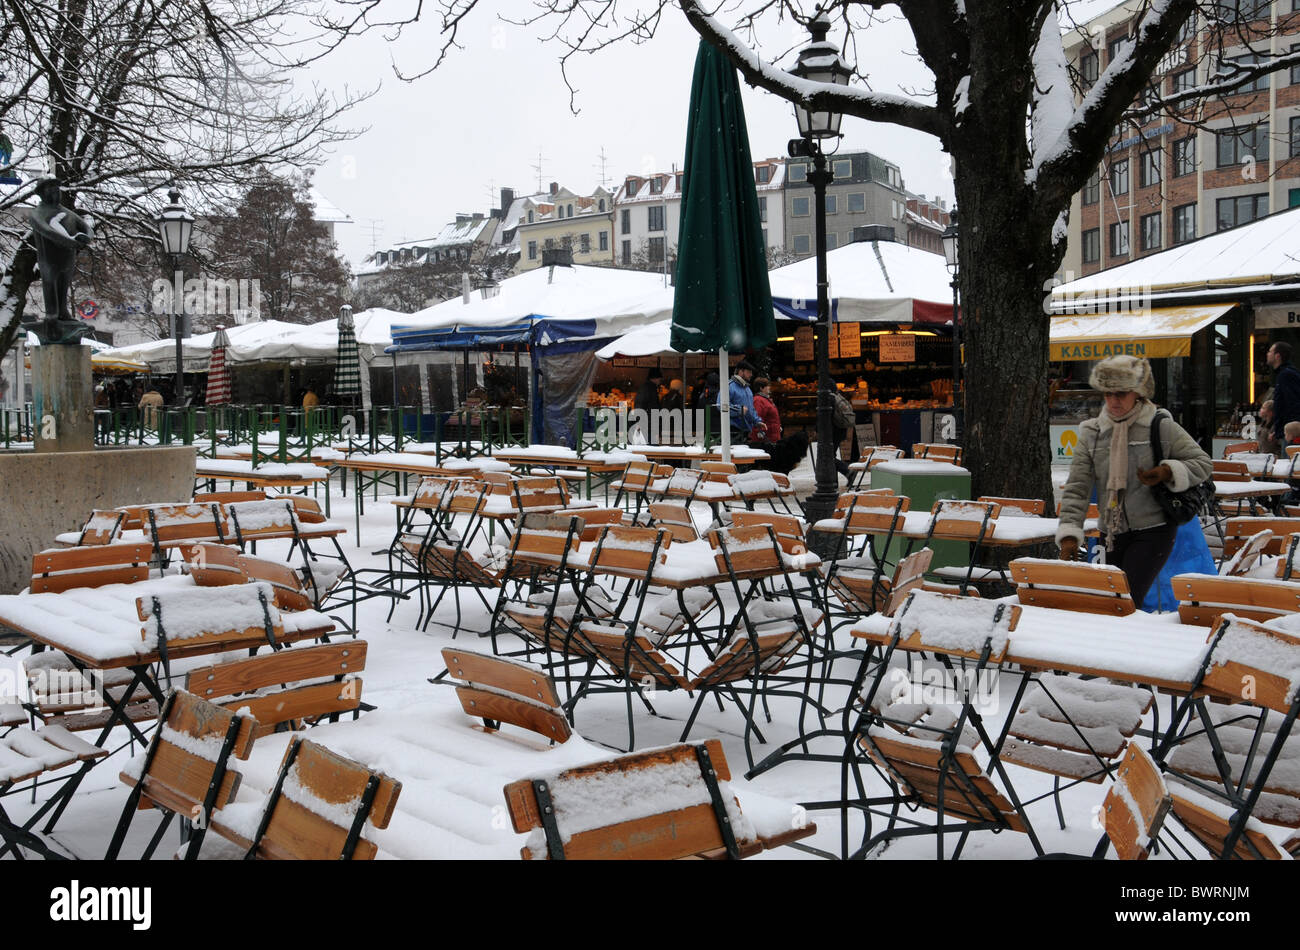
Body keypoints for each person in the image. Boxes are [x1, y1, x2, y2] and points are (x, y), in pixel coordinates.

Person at [1056, 355, 1212, 608]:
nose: (1113, 400)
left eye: (1121, 393)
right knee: (1111, 600)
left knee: (1127, 600)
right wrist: (1070, 534)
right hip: (1111, 532)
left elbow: (1203, 464)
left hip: (1155, 528)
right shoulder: (1092, 433)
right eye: (1108, 394)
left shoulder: (1161, 426)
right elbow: (1077, 487)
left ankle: (1130, 645)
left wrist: (1167, 471)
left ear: (1139, 394)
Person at [1267, 341, 1300, 449]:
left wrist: (1289, 431)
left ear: (1277, 356)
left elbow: (1292, 404)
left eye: (1270, 351)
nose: (1267, 354)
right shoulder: (1285, 374)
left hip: (1291, 435)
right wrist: (1278, 431)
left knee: (1290, 464)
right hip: (1288, 432)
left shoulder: (1286, 375)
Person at [721, 360, 759, 441]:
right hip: (733, 431)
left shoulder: (747, 388)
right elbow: (721, 405)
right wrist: (739, 410)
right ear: (741, 372)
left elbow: (751, 408)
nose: (751, 375)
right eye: (749, 372)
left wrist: (757, 421)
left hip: (746, 430)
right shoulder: (728, 386)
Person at [751, 376, 781, 444]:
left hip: (771, 436)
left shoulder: (765, 399)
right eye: (767, 386)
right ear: (761, 388)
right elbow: (757, 418)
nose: (769, 388)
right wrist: (759, 432)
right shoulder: (758, 400)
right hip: (766, 438)